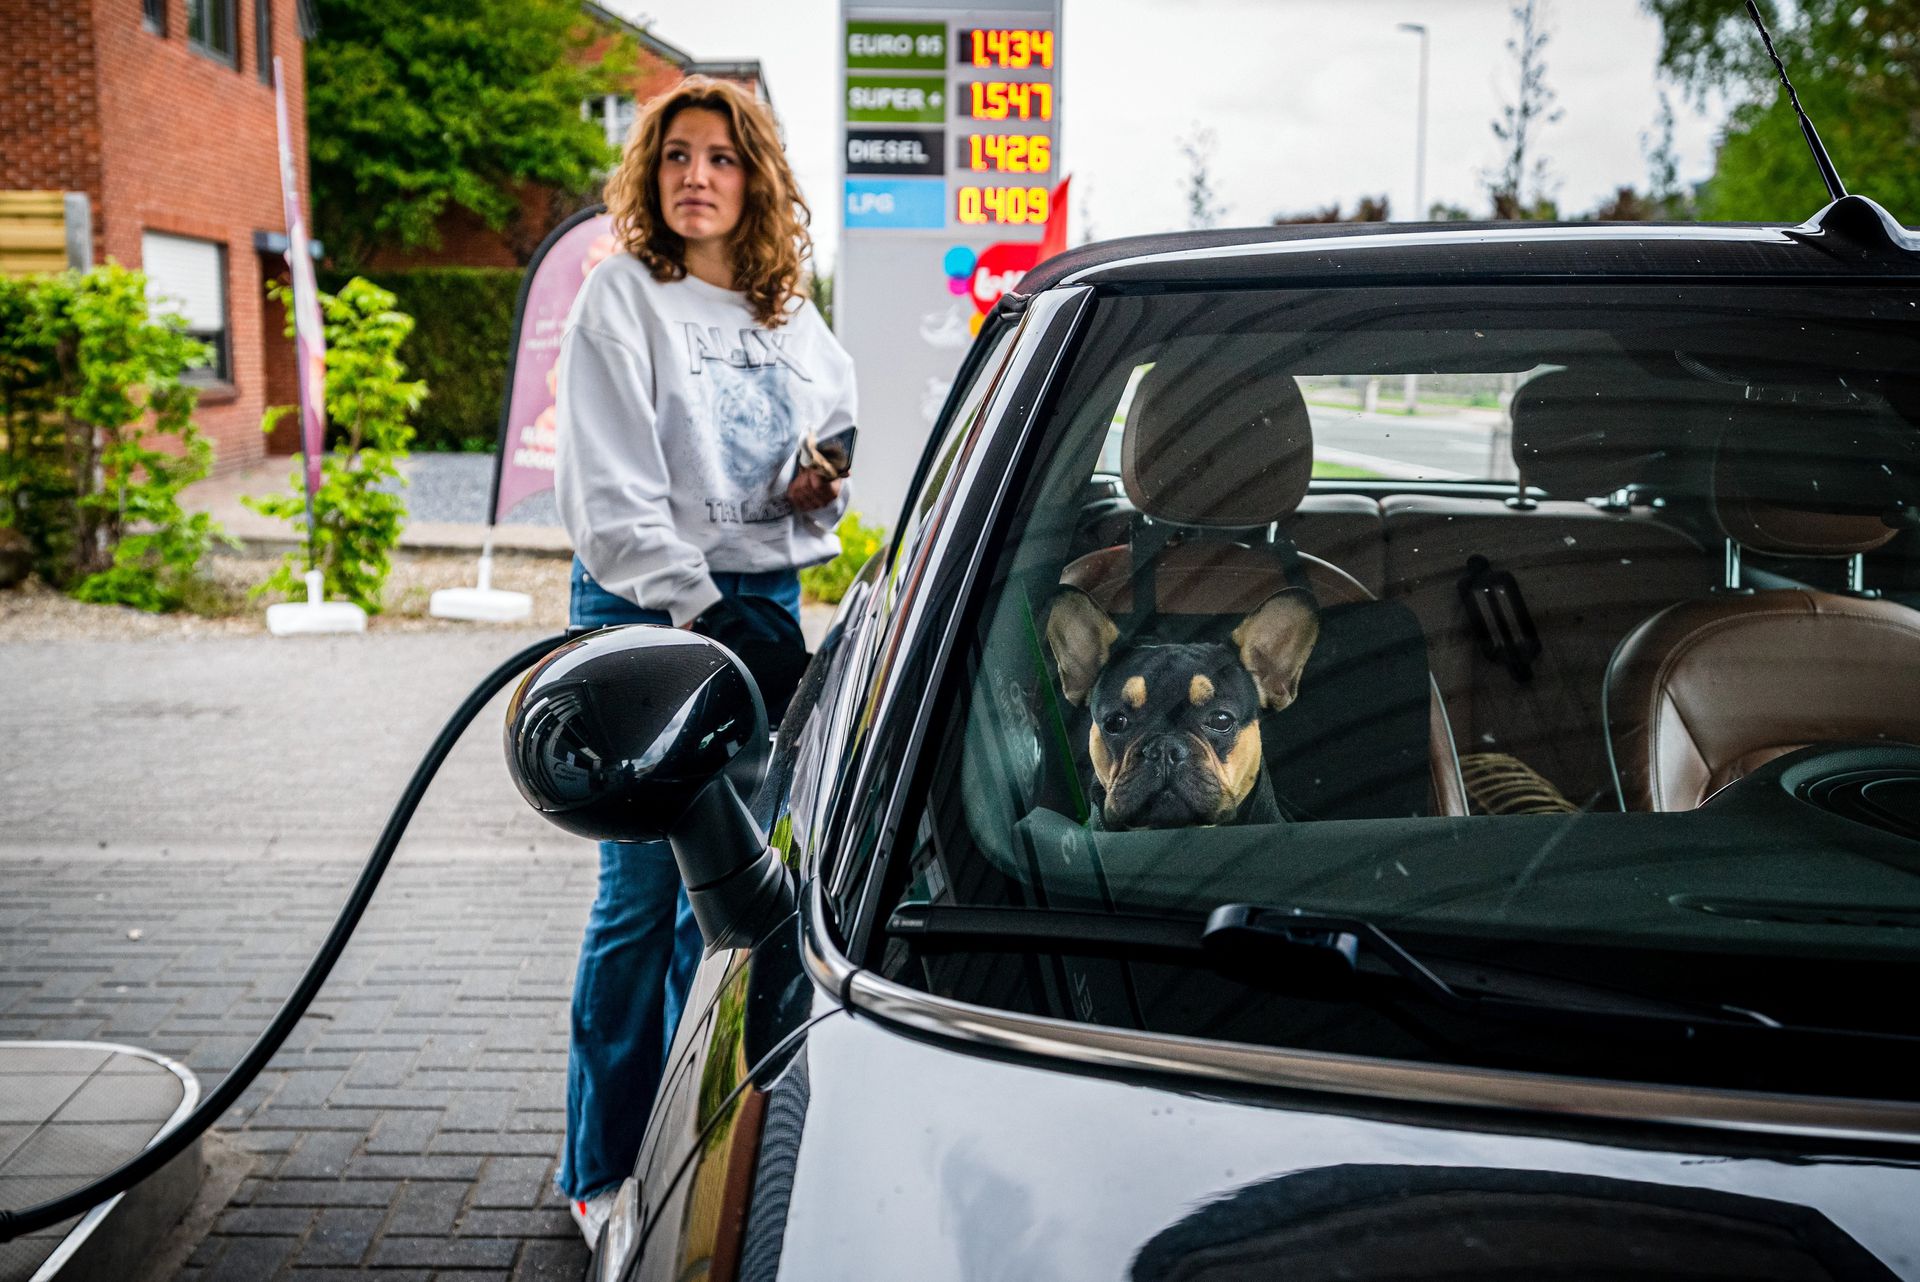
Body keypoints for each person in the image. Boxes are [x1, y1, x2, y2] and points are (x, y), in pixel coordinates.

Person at [550, 75, 854, 1244]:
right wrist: (696, 604)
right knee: (638, 894)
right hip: (645, 602)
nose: (696, 175)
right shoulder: (622, 297)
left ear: (755, 178)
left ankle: (697, 1148)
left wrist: (816, 487)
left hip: (761, 601)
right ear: (651, 174)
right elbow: (611, 493)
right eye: (676, 155)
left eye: (721, 158)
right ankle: (604, 1163)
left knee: (725, 896)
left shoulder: (788, 313)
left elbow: (825, 452)